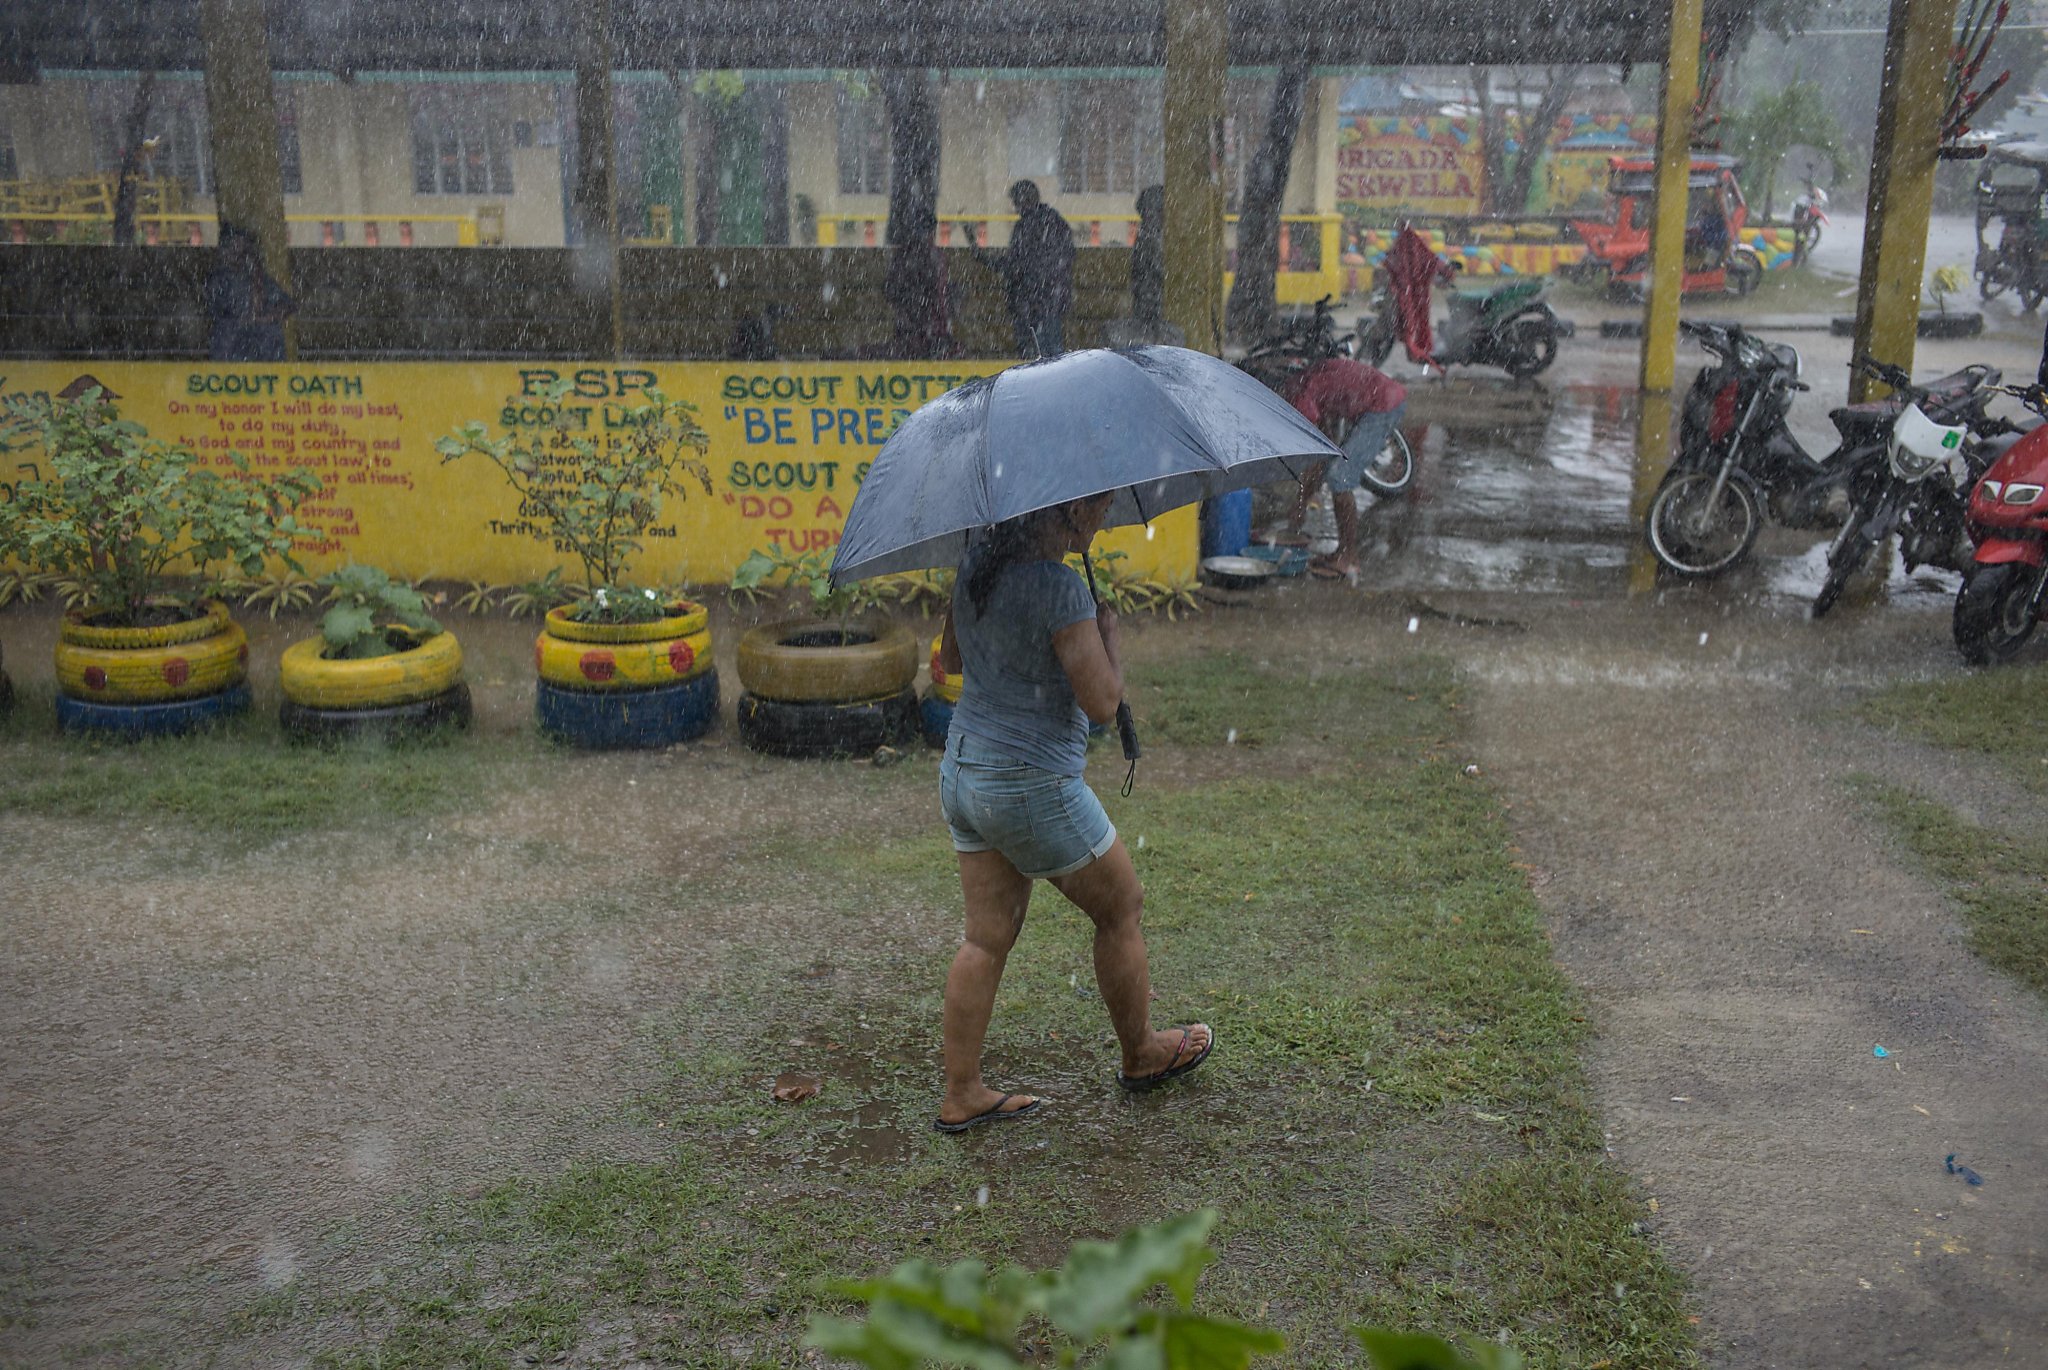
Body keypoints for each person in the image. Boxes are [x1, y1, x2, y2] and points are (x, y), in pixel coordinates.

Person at [932, 493, 1214, 1131]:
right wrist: (1108, 638)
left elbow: (950, 661)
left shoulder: (976, 566)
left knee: (985, 936)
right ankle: (1141, 1052)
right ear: (1057, 512)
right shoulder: (1059, 589)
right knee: (1121, 907)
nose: (1102, 514)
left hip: (965, 772)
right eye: (1094, 506)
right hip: (1029, 784)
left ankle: (962, 1091)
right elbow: (1101, 703)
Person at [1277, 358, 1407, 581]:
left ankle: (1348, 558)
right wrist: (1301, 503)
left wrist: (1300, 505)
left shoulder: (1301, 395)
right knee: (1333, 470)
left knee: (1340, 478)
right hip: (1381, 397)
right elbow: (1322, 453)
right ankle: (1342, 553)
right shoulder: (1308, 383)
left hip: (1383, 405)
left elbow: (1314, 453)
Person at [970, 180, 1076, 357]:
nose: (1015, 207)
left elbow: (1016, 265)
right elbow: (1065, 258)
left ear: (1025, 200)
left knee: (1035, 357)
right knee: (1053, 355)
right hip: (1049, 302)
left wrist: (984, 259)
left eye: (1017, 202)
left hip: (1032, 304)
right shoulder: (1054, 222)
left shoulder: (1027, 226)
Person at [206, 224, 293, 361]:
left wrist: (269, 316)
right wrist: (251, 319)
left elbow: (287, 305)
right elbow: (226, 313)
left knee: (270, 332)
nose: (239, 255)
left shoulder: (260, 278)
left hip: (258, 339)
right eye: (234, 249)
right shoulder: (219, 279)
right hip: (233, 341)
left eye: (243, 251)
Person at [1130, 184, 1165, 330]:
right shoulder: (1151, 238)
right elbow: (1160, 270)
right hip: (1152, 301)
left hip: (1144, 297)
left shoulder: (1143, 236)